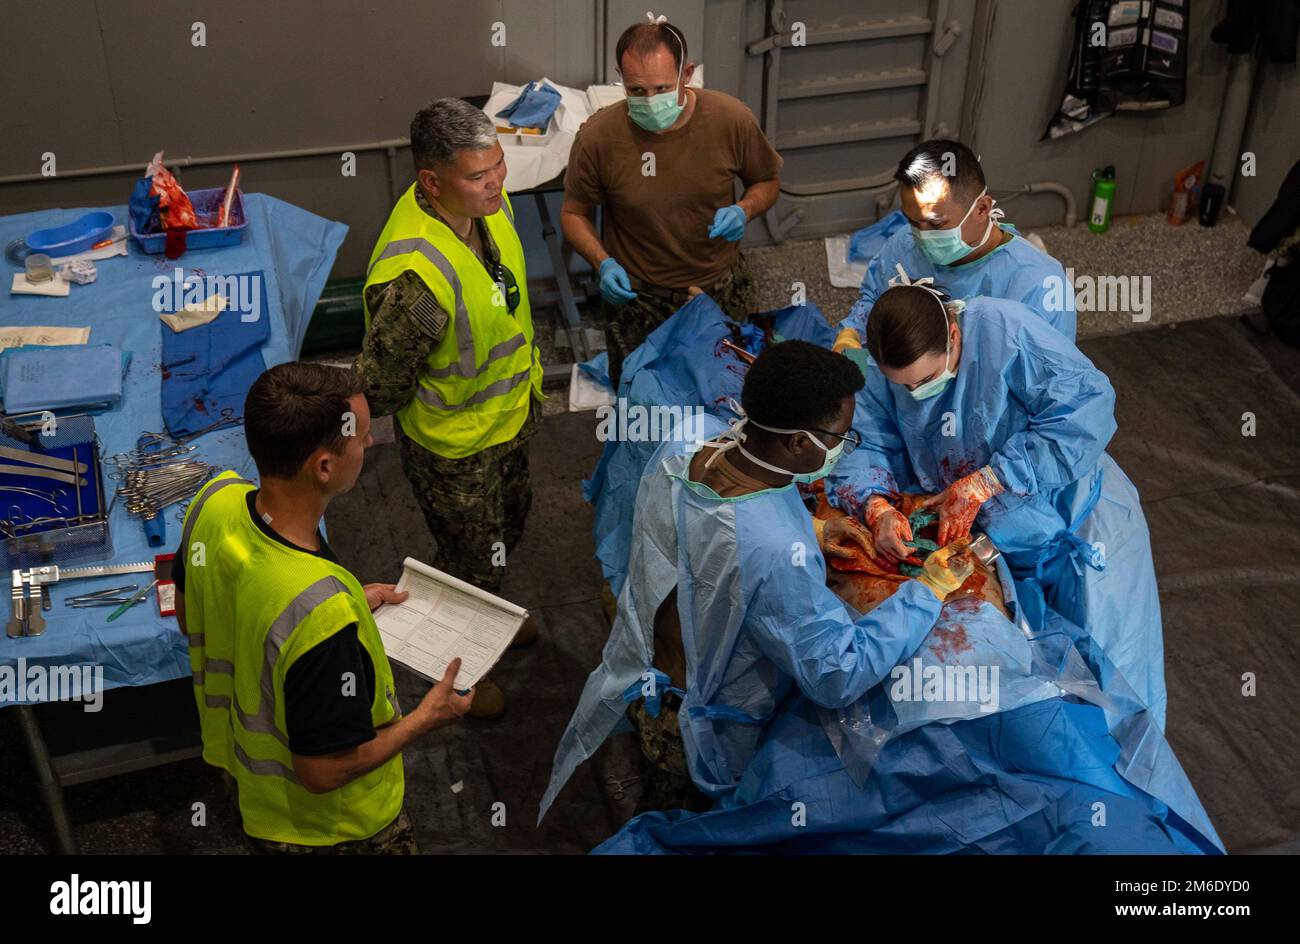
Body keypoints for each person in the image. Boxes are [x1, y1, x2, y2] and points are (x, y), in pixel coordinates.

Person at [540, 340, 975, 819]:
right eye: (841, 439)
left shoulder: (692, 439)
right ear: (797, 442)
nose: (843, 450)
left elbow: (705, 530)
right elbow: (836, 674)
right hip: (695, 724)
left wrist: (810, 527)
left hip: (645, 667)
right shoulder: (771, 552)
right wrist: (927, 591)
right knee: (686, 822)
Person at [826, 284, 1168, 729]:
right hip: (999, 531)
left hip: (1080, 518)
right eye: (903, 386)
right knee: (1038, 663)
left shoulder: (1006, 333)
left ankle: (1125, 775)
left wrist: (994, 478)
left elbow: (1087, 412)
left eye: (926, 381)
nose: (915, 394)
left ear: (952, 334)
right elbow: (867, 440)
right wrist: (877, 507)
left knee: (1113, 670)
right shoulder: (880, 364)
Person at [175, 363, 474, 853]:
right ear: (324, 466)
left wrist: (349, 603)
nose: (371, 443)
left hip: (246, 785)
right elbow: (322, 771)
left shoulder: (212, 500)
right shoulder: (321, 614)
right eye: (361, 435)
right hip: (332, 830)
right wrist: (426, 716)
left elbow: (196, 617)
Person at [355, 99, 545, 719]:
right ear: (431, 182)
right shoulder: (416, 278)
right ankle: (459, 671)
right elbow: (379, 387)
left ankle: (489, 619)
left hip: (510, 419)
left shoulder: (486, 206)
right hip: (454, 447)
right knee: (467, 560)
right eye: (477, 175)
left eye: (497, 167)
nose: (495, 183)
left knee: (506, 531)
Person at [562, 15, 783, 387]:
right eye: (635, 91)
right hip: (640, 300)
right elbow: (573, 213)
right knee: (642, 402)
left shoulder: (729, 120)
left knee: (726, 392)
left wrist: (744, 209)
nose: (650, 102)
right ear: (620, 77)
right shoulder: (600, 138)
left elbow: (766, 180)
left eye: (662, 88)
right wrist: (602, 263)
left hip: (721, 289)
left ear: (688, 73)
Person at [833, 139, 1076, 354]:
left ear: (982, 209)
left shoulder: (1039, 286)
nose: (922, 236)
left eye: (936, 224)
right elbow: (875, 302)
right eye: (912, 221)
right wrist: (853, 335)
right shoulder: (904, 245)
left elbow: (1052, 381)